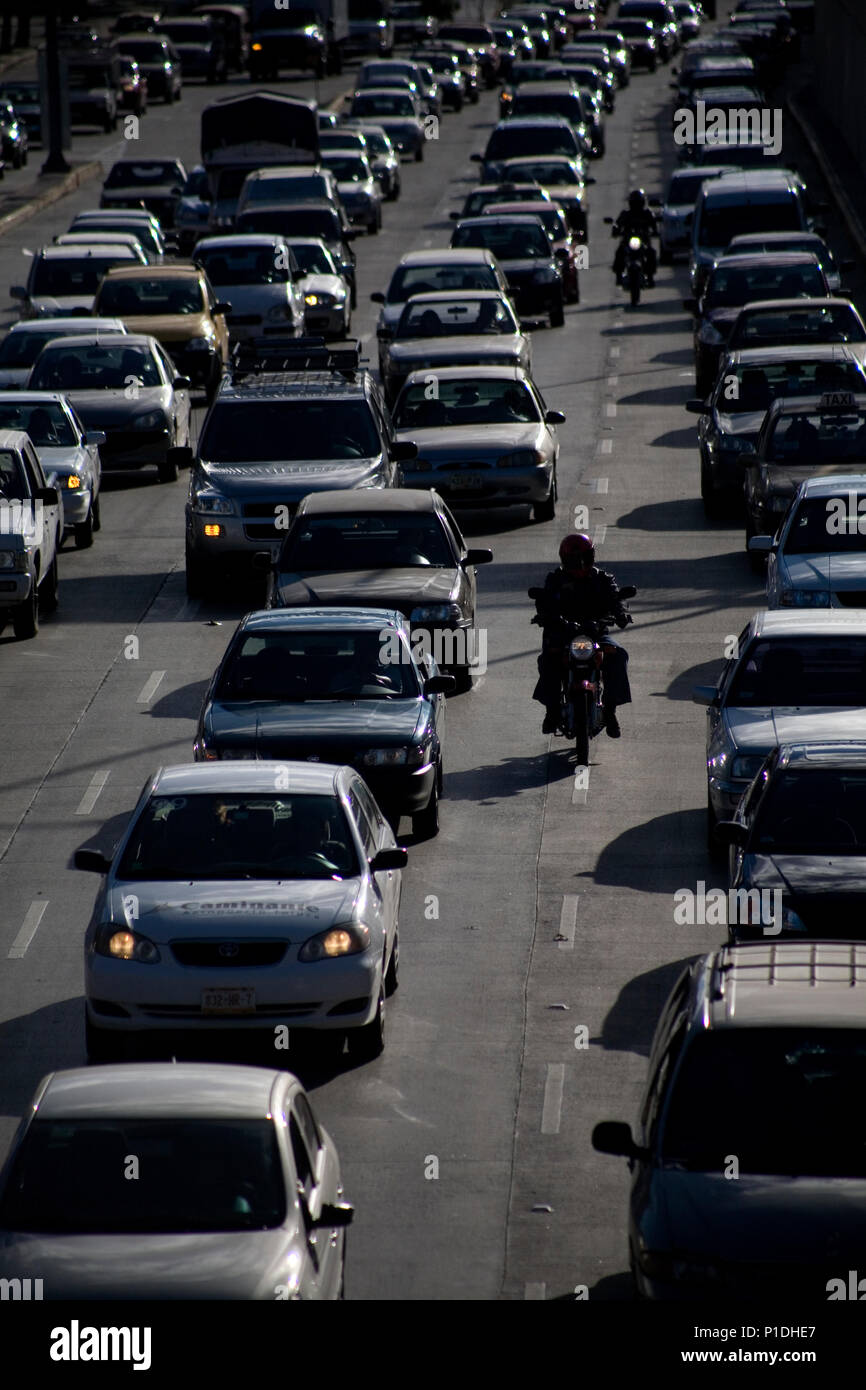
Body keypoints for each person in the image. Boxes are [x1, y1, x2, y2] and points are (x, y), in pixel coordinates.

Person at [531, 533, 632, 737]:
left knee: (618, 655)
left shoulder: (602, 579)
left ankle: (610, 712)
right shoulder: (555, 580)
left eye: (585, 558)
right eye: (574, 560)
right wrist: (546, 616)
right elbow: (544, 601)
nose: (580, 564)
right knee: (549, 659)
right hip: (562, 633)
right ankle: (551, 711)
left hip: (596, 634)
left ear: (592, 556)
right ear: (565, 560)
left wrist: (621, 614)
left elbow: (616, 597)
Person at [611, 188, 658, 286]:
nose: (636, 205)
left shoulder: (647, 213)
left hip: (643, 241)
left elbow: (653, 223)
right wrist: (615, 230)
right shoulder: (625, 214)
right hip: (627, 242)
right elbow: (618, 224)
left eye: (638, 202)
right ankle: (619, 276)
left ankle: (650, 276)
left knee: (651, 253)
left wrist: (655, 231)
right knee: (619, 252)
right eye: (634, 202)